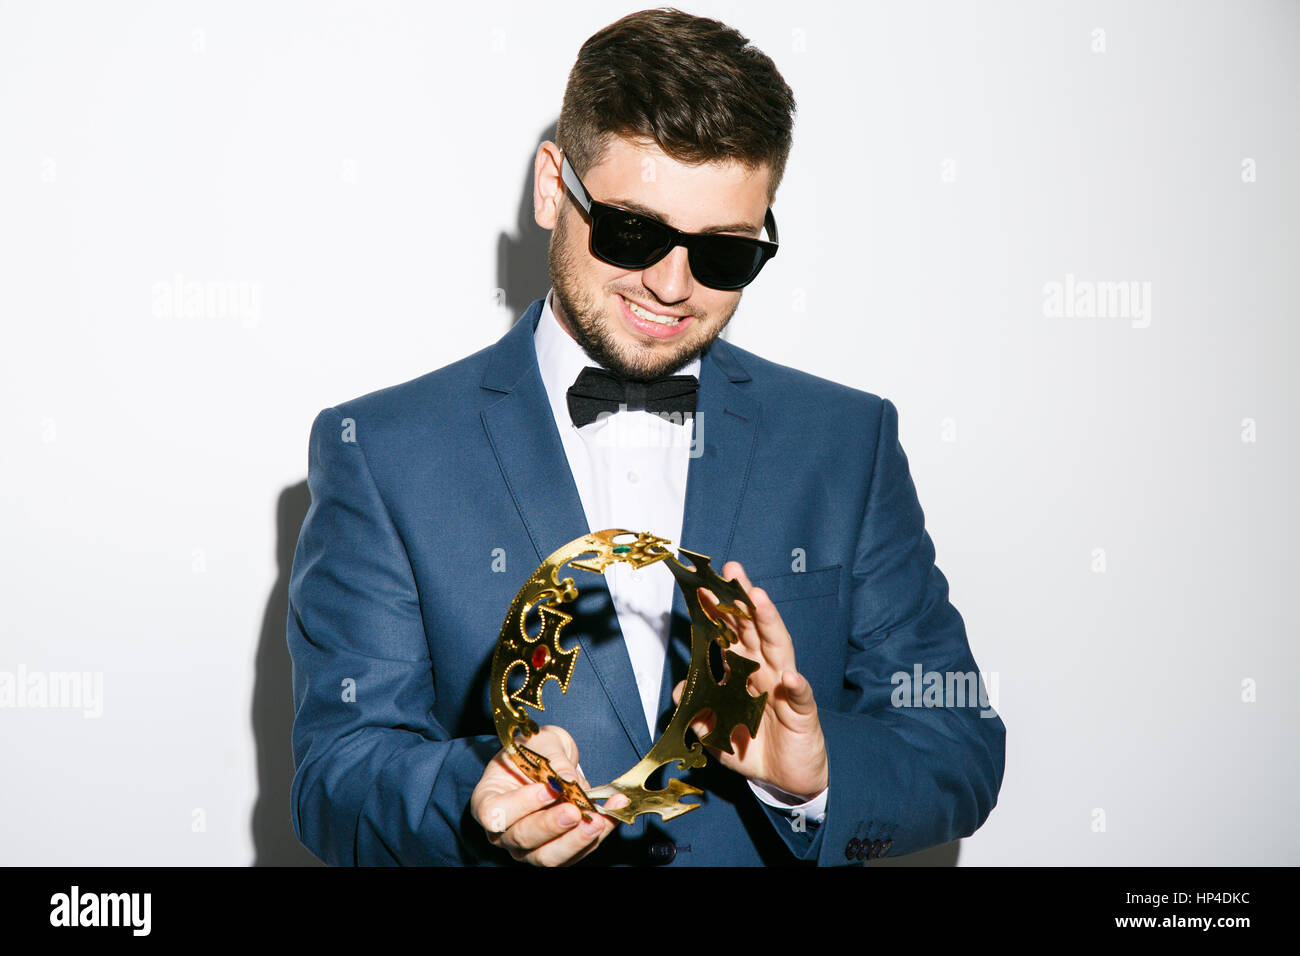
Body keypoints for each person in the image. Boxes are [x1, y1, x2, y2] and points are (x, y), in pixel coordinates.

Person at [286, 7, 1005, 867]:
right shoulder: (384, 451)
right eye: (634, 231)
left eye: (724, 252)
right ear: (553, 187)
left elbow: (956, 740)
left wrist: (812, 779)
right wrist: (474, 798)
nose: (671, 286)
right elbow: (336, 774)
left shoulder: (848, 443)